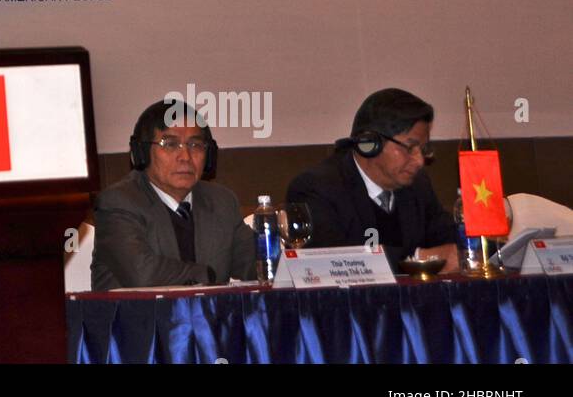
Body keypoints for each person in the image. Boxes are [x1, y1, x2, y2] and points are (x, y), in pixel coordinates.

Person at [286, 88, 458, 271]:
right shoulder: (316, 188)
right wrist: (418, 259)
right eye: (410, 148)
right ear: (369, 144)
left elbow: (448, 239)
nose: (419, 161)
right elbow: (331, 262)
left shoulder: (418, 185)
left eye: (423, 149)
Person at [90, 98, 256, 288]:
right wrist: (207, 275)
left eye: (195, 145)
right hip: (139, 317)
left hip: (211, 317)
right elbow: (144, 274)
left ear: (209, 156)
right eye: (170, 144)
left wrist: (290, 260)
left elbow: (259, 264)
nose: (185, 157)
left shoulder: (221, 202)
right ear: (142, 152)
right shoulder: (118, 202)